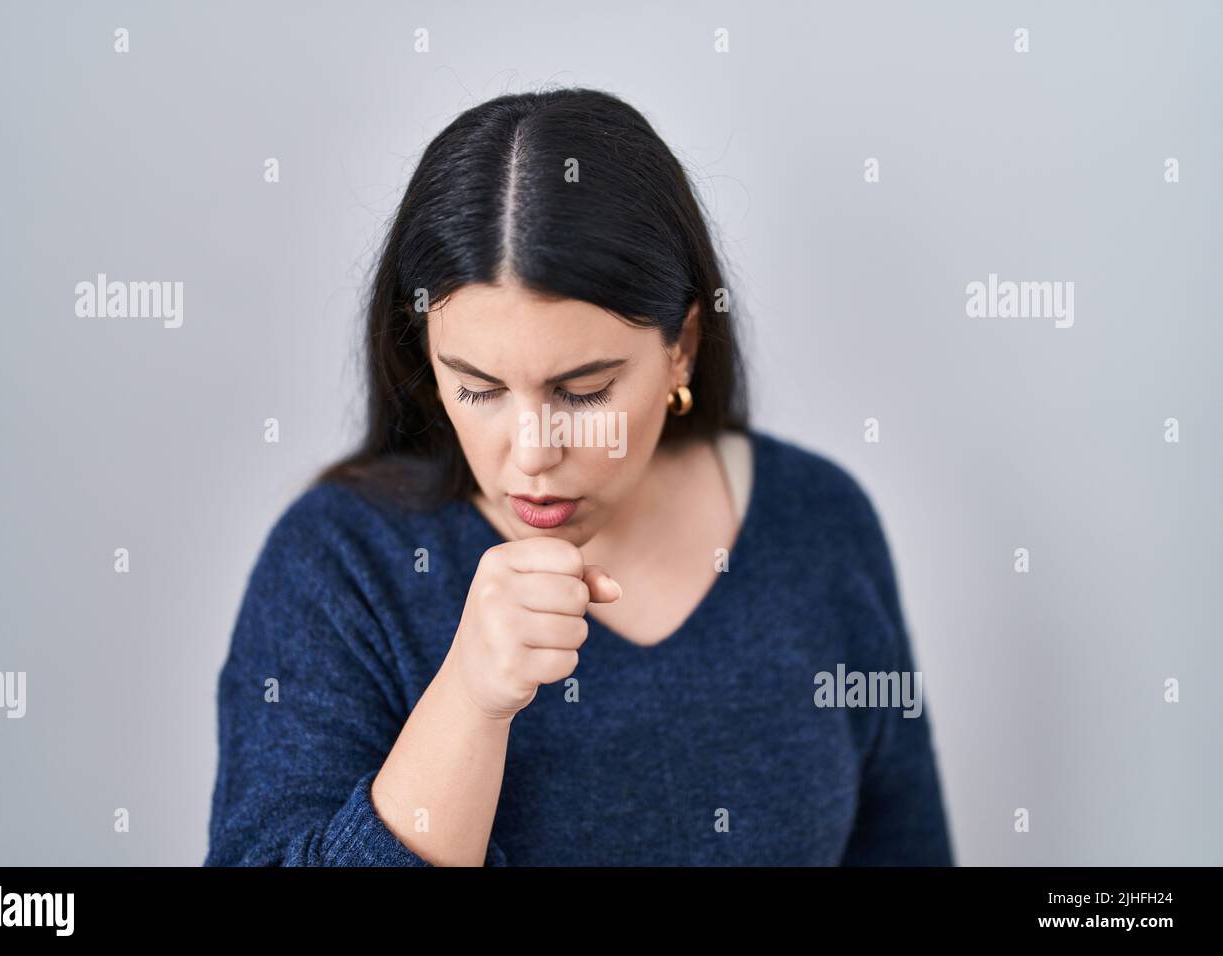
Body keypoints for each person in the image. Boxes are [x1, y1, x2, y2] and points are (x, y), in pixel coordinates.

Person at [203, 87, 955, 866]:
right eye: (479, 388)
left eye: (584, 391)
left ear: (683, 349)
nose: (531, 451)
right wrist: (468, 702)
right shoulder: (339, 566)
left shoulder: (819, 523)